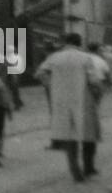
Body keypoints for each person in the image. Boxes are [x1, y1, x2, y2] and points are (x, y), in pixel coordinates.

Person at [36, 33, 101, 182]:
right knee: (87, 134)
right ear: (79, 43)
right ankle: (88, 168)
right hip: (83, 99)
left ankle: (75, 170)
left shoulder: (54, 57)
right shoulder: (85, 58)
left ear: (65, 42)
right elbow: (93, 80)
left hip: (62, 101)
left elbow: (40, 73)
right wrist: (97, 95)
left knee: (69, 136)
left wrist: (51, 86)